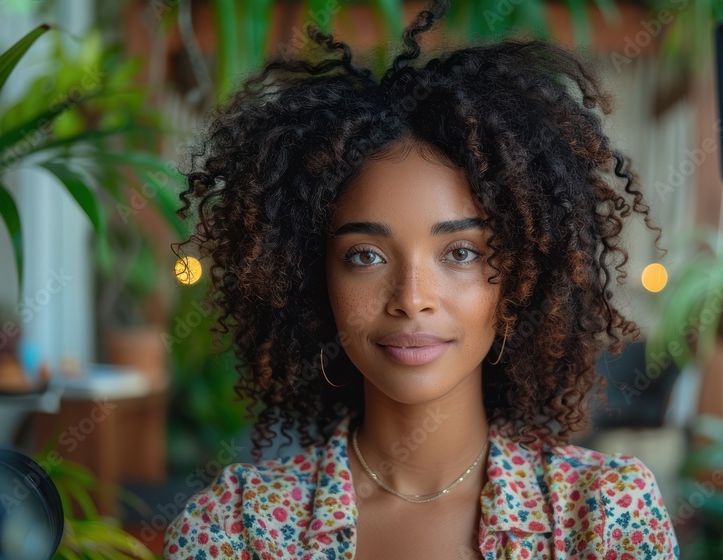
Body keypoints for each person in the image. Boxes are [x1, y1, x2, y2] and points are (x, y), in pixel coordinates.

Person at [165, 1, 678, 558]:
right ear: (315, 282)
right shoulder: (235, 530)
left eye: (459, 252)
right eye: (365, 256)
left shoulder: (605, 513)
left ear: (522, 278)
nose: (412, 300)